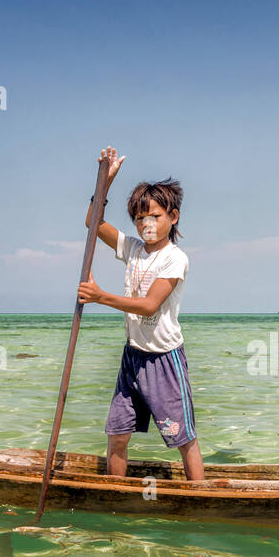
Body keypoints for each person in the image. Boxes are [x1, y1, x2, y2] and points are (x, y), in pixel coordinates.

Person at [77, 146, 205, 481]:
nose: (146, 224)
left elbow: (150, 305)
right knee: (117, 435)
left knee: (184, 438)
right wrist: (106, 180)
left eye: (155, 217)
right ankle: (115, 497)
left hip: (164, 359)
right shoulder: (133, 249)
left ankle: (201, 499)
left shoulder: (175, 259)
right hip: (133, 357)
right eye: (139, 218)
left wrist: (101, 296)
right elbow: (93, 222)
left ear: (172, 217)